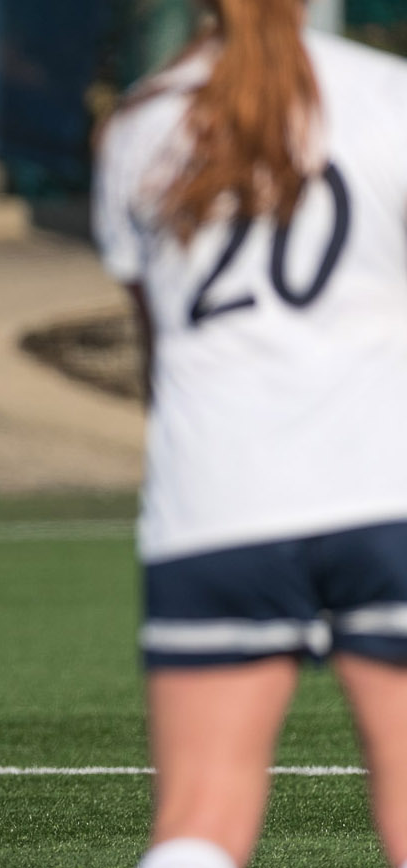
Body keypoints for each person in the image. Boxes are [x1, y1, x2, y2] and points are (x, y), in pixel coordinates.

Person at [93, 2, 407, 866]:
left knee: (201, 821)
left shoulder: (140, 126)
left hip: (214, 502)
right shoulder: (388, 98)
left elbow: (159, 349)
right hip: (386, 497)